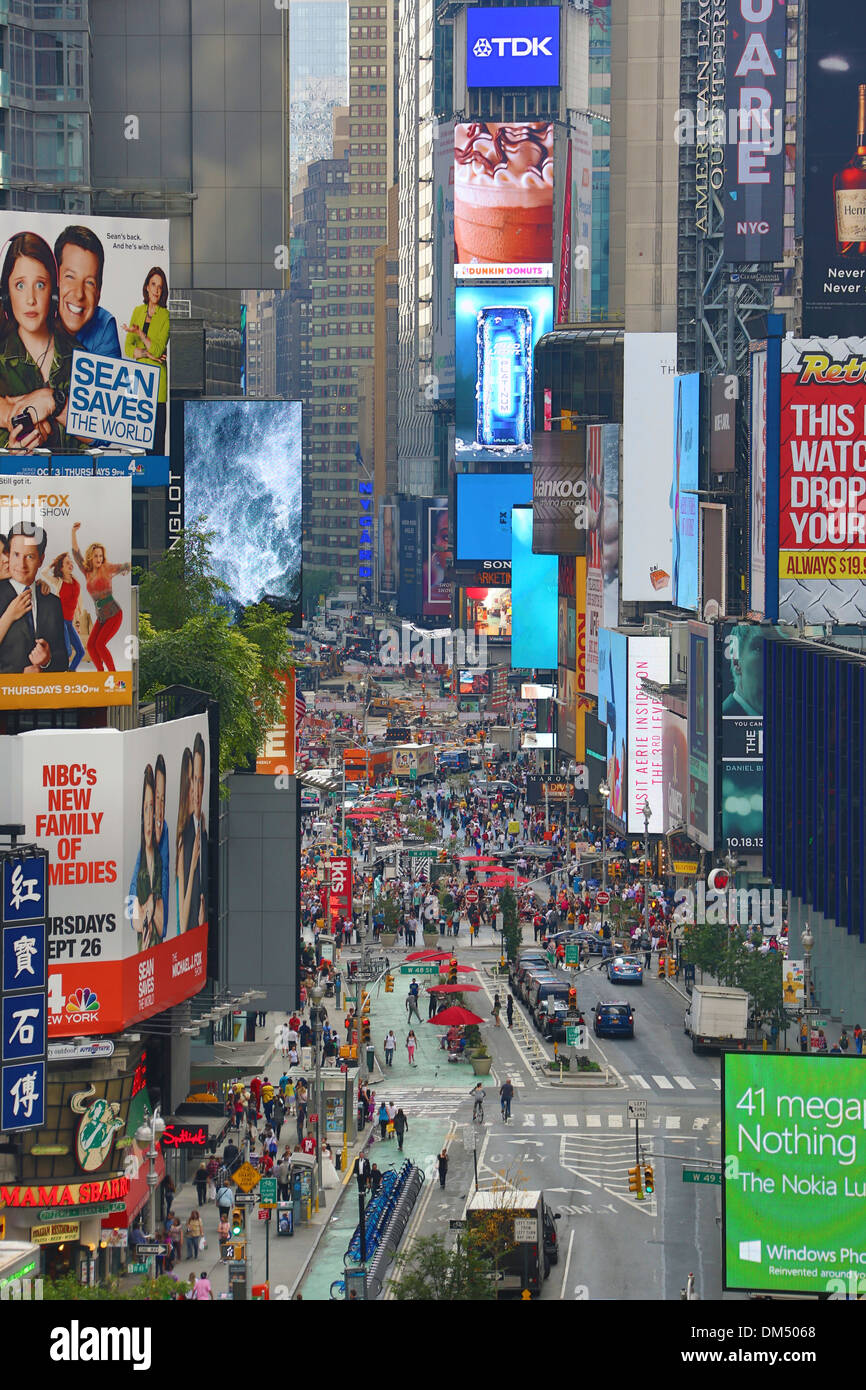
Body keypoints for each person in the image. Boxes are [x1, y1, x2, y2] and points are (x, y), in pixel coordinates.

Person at [0, 230, 78, 452]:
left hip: (79, 485)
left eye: (40, 285)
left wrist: (55, 401)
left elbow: (108, 429)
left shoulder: (80, 356)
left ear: (53, 293)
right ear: (6, 295)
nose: (31, 299)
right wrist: (10, 450)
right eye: (20, 285)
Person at [0, 523, 68, 674]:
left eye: (29, 556)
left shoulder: (52, 602)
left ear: (41, 559)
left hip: (43, 695)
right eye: (16, 554)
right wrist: (18, 676)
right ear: (8, 554)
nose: (21, 564)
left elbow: (63, 659)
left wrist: (47, 661)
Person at [122, 266, 170, 454]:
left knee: (156, 443)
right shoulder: (138, 311)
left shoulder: (166, 316)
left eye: (160, 286)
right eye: (153, 284)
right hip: (138, 383)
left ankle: (156, 483)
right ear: (147, 287)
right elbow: (128, 349)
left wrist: (140, 334)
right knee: (138, 440)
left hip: (156, 387)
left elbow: (158, 349)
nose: (156, 290)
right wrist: (147, 354)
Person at [70, 521, 130, 672]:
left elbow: (126, 565)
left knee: (100, 645)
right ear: (90, 557)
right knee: (91, 645)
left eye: (101, 556)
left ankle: (112, 675)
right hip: (102, 616)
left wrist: (126, 569)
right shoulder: (87, 571)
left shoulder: (107, 568)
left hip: (114, 614)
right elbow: (76, 554)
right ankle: (101, 674)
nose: (99, 559)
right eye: (96, 556)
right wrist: (73, 532)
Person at [129, 764, 165, 951]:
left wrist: (150, 905)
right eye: (147, 809)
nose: (152, 817)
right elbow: (130, 912)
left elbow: (162, 924)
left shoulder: (160, 859)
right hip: (140, 957)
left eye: (156, 808)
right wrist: (144, 910)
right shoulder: (137, 859)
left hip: (158, 956)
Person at [180, 732, 208, 934]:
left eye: (200, 780)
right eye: (193, 781)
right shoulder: (184, 836)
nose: (196, 790)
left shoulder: (204, 831)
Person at [48, 551, 84, 671]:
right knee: (67, 651)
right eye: (67, 563)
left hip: (69, 622)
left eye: (71, 562)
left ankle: (70, 672)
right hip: (60, 621)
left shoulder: (76, 581)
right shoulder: (59, 582)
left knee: (80, 651)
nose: (70, 564)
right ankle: (53, 668)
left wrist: (78, 622)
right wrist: (52, 564)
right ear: (61, 568)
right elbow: (43, 573)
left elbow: (79, 603)